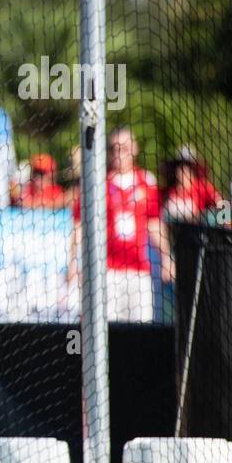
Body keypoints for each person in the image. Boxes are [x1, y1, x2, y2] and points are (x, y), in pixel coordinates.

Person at [68, 126, 174, 322]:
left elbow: (154, 224)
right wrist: (74, 262)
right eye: (114, 148)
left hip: (139, 273)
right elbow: (80, 225)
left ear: (134, 149)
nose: (118, 153)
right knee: (108, 331)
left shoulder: (146, 182)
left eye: (124, 147)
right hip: (107, 273)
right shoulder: (98, 183)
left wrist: (166, 259)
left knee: (140, 334)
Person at [161, 145, 220, 224]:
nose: (183, 170)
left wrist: (203, 216)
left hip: (196, 231)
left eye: (187, 166)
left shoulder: (202, 187)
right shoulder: (169, 190)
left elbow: (223, 204)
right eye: (180, 165)